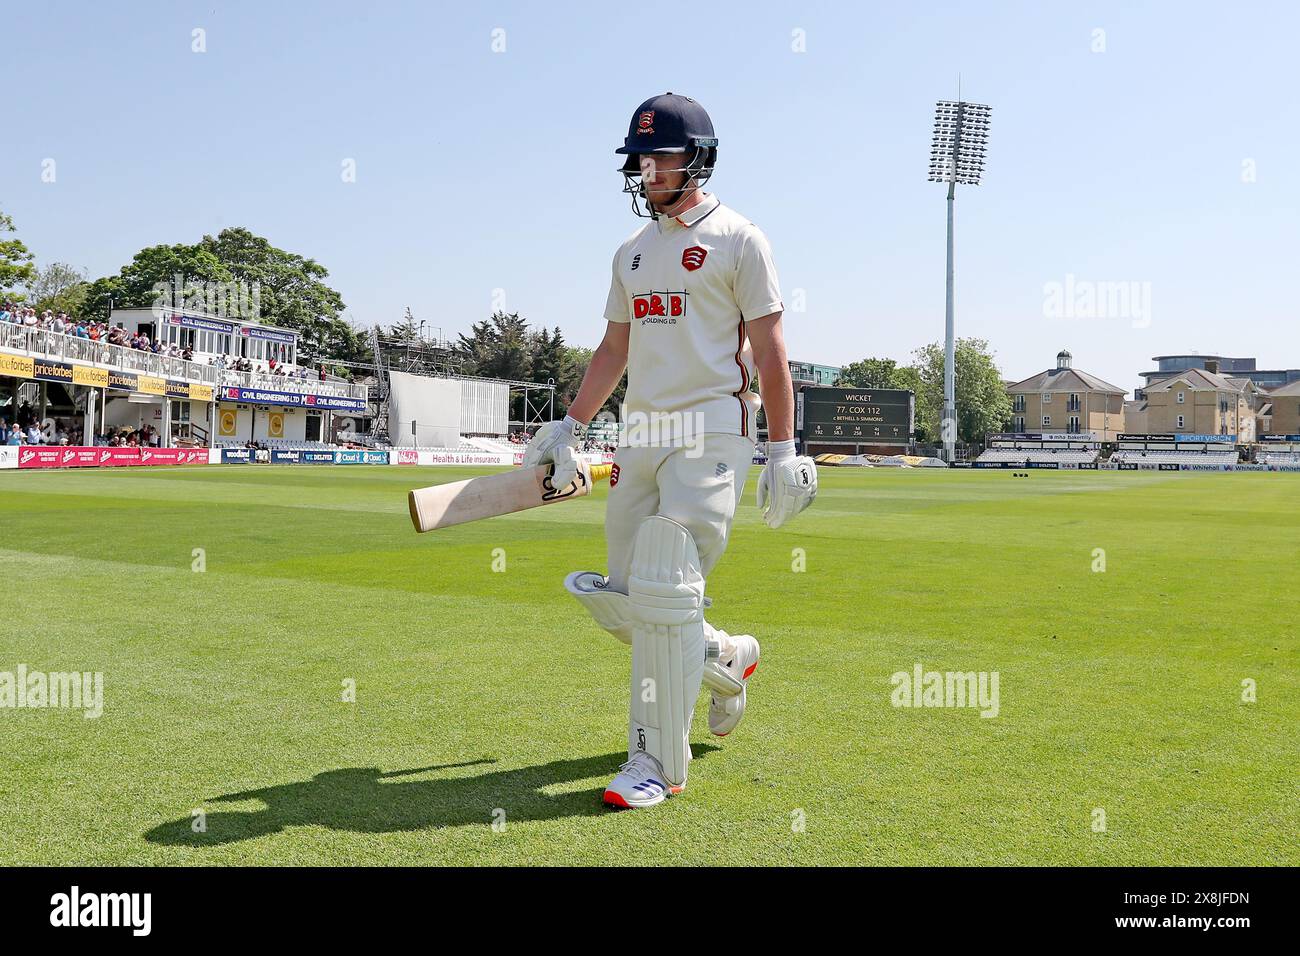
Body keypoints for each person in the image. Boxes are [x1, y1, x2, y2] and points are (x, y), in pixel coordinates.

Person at [525, 92, 817, 809]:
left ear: (698, 158)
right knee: (632, 602)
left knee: (661, 579)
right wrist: (570, 424)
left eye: (658, 156)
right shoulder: (630, 253)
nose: (646, 171)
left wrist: (782, 448)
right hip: (642, 432)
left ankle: (655, 765)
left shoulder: (740, 239)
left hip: (712, 428)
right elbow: (615, 346)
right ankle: (725, 656)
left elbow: (773, 347)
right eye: (639, 159)